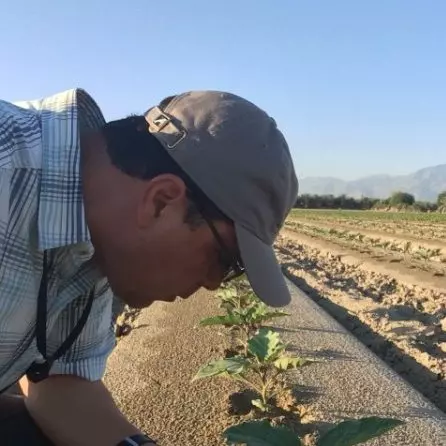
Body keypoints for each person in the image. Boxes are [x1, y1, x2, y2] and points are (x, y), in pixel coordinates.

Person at [0, 88, 298, 445]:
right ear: (161, 202)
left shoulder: (101, 248)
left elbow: (62, 387)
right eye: (224, 260)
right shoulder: (8, 173)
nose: (214, 283)